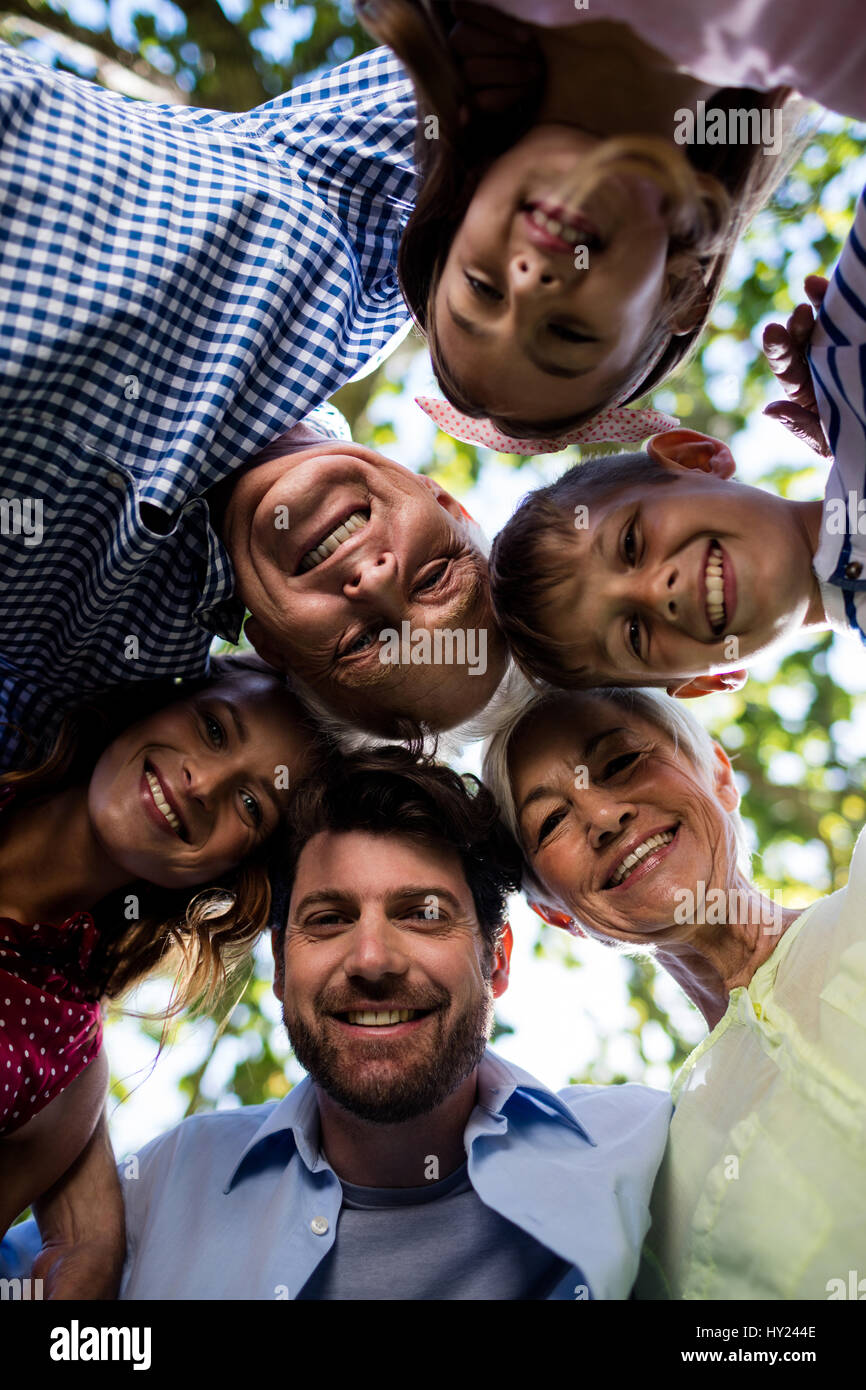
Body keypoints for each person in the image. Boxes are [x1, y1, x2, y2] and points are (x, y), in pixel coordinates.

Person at [2, 746, 671, 1299]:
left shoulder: (642, 1150)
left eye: (424, 914)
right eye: (328, 920)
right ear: (280, 973)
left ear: (495, 959)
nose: (372, 959)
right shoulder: (162, 1187)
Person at [0, 43, 506, 737]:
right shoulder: (359, 262)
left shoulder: (98, 674)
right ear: (444, 498)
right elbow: (547, 62)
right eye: (432, 582)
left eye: (361, 647)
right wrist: (573, 369)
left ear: (274, 652)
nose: (377, 584)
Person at [482, 681, 866, 1299]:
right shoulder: (655, 1184)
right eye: (551, 820)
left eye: (623, 761)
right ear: (556, 915)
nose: (603, 818)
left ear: (718, 771)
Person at [357, 0, 822, 446]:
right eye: (569, 332)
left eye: (484, 288)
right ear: (680, 294)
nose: (529, 284)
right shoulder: (830, 49)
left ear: (460, 207)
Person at [0, 653, 327, 1281]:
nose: (202, 784)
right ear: (164, 697)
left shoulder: (59, 1061)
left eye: (252, 806)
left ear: (230, 872)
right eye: (213, 729)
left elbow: (82, 1264)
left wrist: (92, 1249)